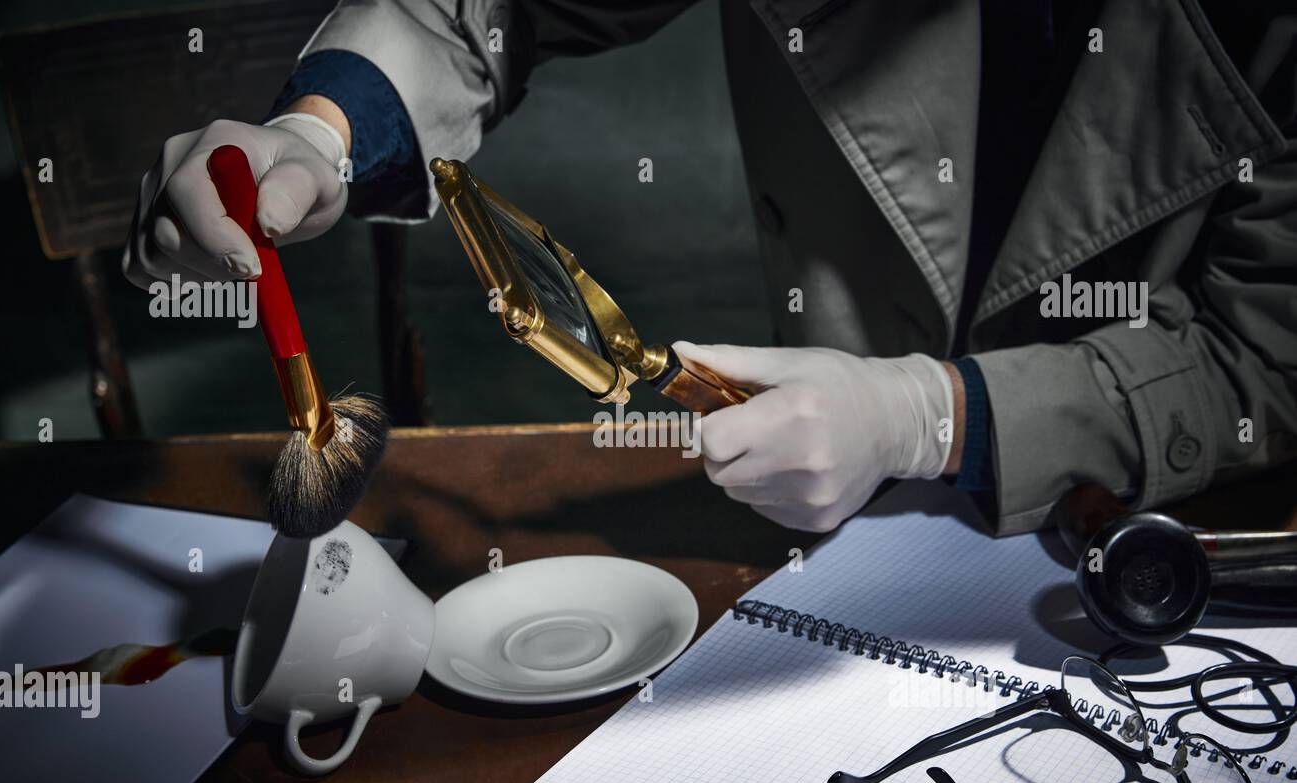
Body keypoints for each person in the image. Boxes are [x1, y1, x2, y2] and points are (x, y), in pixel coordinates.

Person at [123, 0, 1297, 535]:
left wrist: (927, 417)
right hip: (829, 560)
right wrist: (323, 132)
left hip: (1196, 545)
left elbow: (1270, 361)